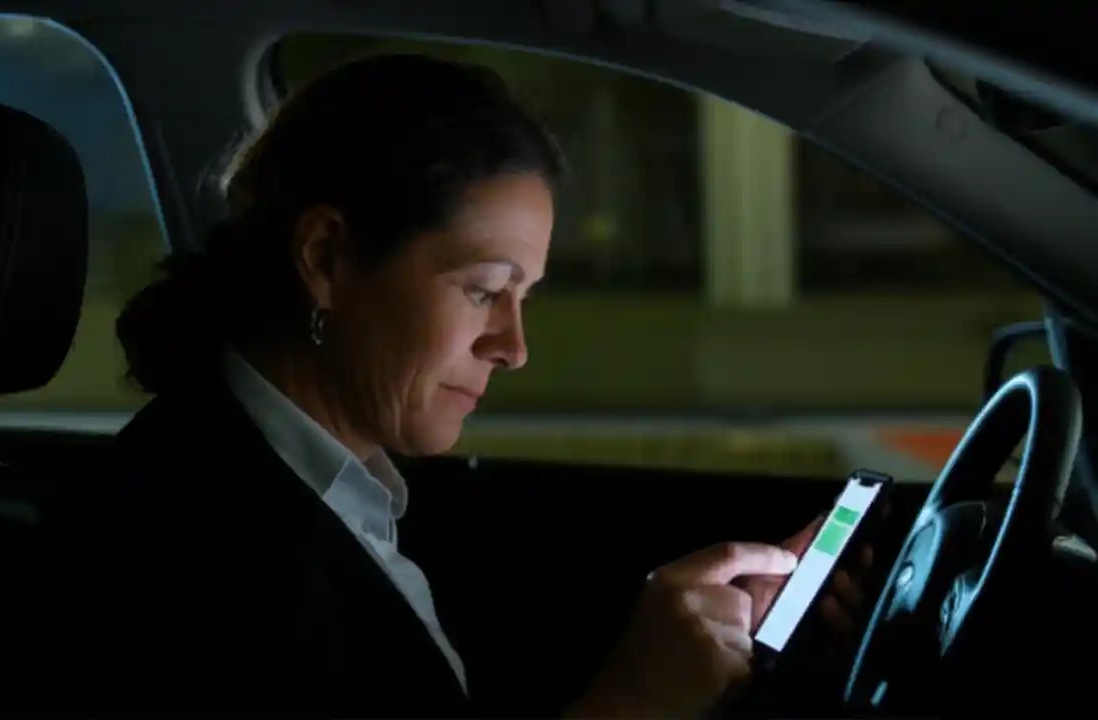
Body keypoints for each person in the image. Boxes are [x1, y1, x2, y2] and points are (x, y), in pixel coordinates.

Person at [82, 52, 868, 718]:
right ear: (326, 259)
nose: (514, 347)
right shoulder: (194, 541)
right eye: (484, 290)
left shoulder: (337, 495)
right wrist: (633, 701)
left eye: (523, 297)